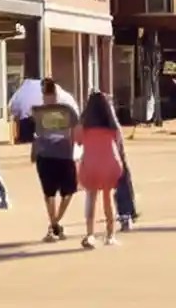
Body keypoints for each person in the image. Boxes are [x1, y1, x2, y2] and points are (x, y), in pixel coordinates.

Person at [30, 77, 80, 242]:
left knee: (66, 192)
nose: (47, 98)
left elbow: (76, 131)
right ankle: (54, 225)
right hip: (49, 156)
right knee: (51, 193)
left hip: (61, 155)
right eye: (45, 95)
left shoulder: (67, 110)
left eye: (48, 94)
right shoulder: (40, 111)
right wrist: (34, 151)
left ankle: (54, 223)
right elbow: (36, 135)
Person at [78, 90, 125, 248]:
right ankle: (110, 235)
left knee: (91, 197)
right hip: (110, 163)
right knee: (108, 197)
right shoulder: (111, 125)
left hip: (90, 163)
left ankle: (90, 234)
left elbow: (77, 141)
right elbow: (119, 140)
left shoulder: (84, 125)